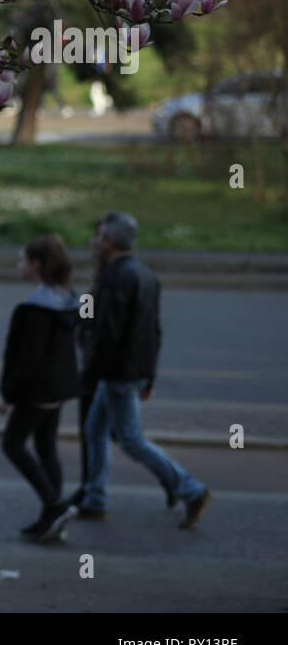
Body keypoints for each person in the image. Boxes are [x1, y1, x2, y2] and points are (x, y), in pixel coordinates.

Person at [73, 211, 212, 528]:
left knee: (132, 440)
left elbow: (108, 335)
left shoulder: (115, 279)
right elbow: (153, 333)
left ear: (108, 242)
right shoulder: (146, 276)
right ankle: (95, 498)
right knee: (95, 431)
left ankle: (191, 489)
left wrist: (90, 376)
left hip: (117, 374)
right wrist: (149, 378)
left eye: (98, 237)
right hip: (132, 371)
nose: (94, 242)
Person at [0, 235, 81, 542]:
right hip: (58, 389)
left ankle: (54, 506)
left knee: (13, 445)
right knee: (46, 447)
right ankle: (51, 517)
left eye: (22, 260)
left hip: (37, 391)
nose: (18, 265)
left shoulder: (35, 308)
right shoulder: (67, 299)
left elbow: (26, 357)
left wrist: (9, 394)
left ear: (37, 265)